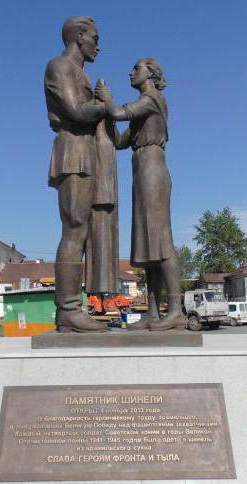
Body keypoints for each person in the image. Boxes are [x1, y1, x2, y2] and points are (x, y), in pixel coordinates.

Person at [96, 58, 184, 330]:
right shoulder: (143, 107)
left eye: (136, 68)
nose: (130, 72)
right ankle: (154, 313)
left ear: (151, 73)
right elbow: (122, 141)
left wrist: (107, 100)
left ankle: (177, 310)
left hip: (152, 170)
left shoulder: (153, 99)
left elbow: (120, 113)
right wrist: (102, 118)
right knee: (147, 246)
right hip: (141, 169)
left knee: (160, 241)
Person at [44, 16, 117, 333]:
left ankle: (75, 309)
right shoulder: (60, 67)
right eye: (94, 38)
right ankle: (69, 311)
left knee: (83, 234)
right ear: (78, 37)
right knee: (74, 230)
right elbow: (75, 111)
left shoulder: (80, 72)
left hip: (87, 151)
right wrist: (106, 105)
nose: (98, 45)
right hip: (72, 150)